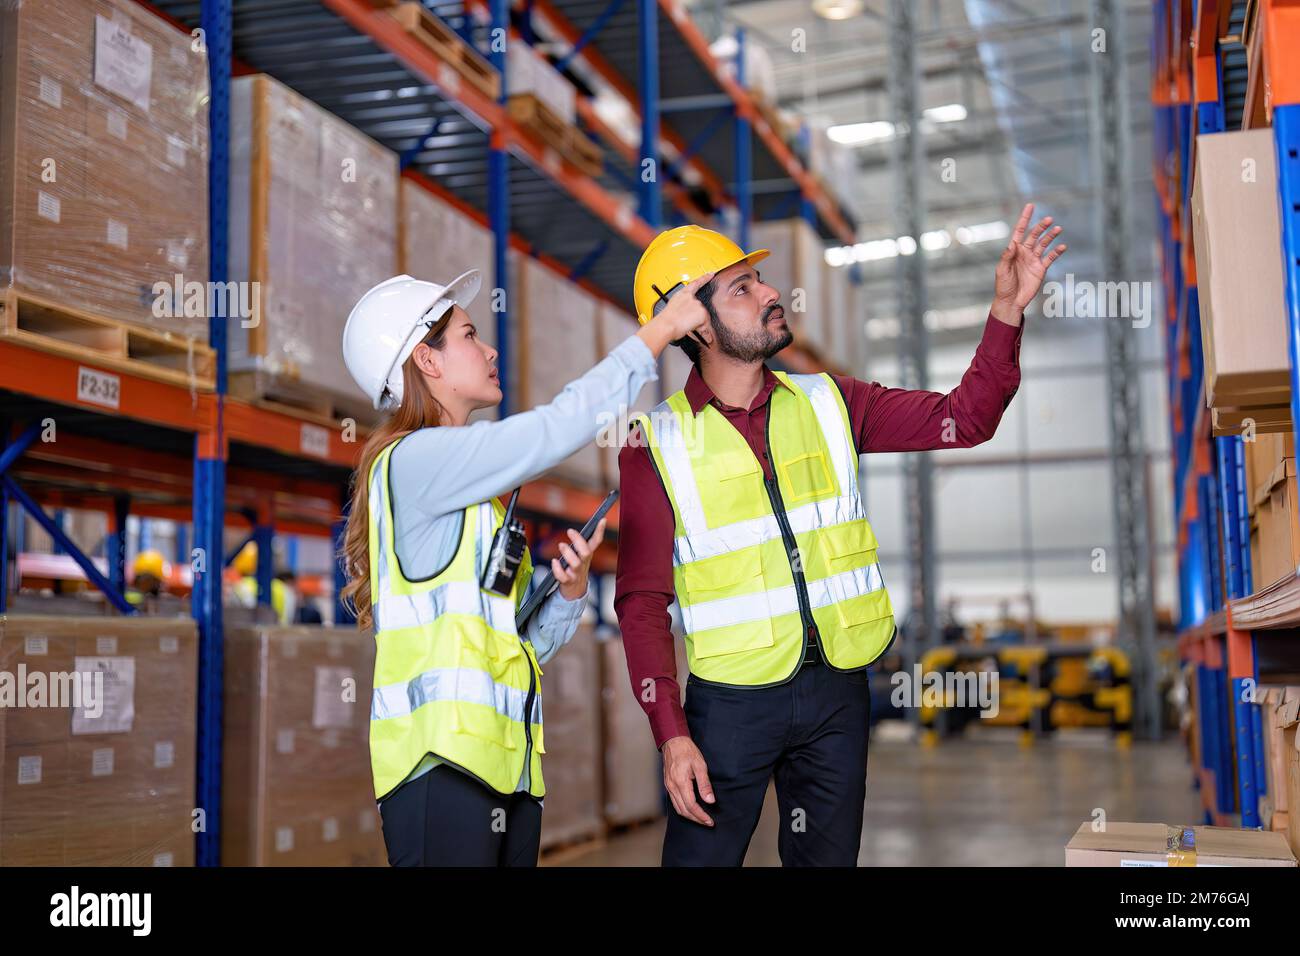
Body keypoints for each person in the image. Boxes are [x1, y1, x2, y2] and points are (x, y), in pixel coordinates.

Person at [615, 206, 1067, 866]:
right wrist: (671, 735)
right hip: (730, 709)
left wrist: (1005, 310)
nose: (771, 293)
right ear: (694, 321)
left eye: (759, 282)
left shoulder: (831, 403)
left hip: (836, 697)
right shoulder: (654, 444)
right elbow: (641, 601)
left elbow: (964, 420)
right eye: (742, 288)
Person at [338, 268, 711, 867]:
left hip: (505, 770)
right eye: (468, 335)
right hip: (441, 769)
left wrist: (566, 596)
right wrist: (661, 330)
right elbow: (554, 429)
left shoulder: (472, 503)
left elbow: (515, 651)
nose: (488, 350)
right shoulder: (416, 462)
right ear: (426, 362)